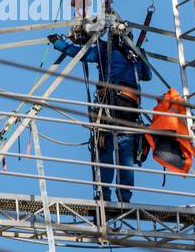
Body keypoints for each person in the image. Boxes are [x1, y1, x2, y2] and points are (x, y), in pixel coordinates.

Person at [49, 26, 152, 204]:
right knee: (123, 154)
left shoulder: (106, 49)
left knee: (107, 151)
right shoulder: (134, 53)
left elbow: (81, 54)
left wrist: (58, 43)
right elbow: (147, 75)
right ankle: (123, 197)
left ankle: (105, 195)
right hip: (128, 110)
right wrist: (139, 53)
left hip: (110, 109)